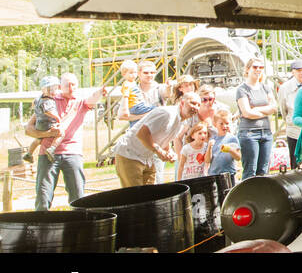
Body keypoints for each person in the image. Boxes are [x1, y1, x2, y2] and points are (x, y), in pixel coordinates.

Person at [29, 73, 104, 210]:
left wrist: (100, 92)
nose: (71, 88)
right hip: (47, 152)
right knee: (43, 197)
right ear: (59, 87)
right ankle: (41, 227)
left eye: (73, 84)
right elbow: (28, 129)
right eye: (66, 85)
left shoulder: (81, 102)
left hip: (72, 152)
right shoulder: (49, 100)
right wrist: (47, 134)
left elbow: (92, 99)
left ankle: (79, 226)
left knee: (78, 197)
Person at [112, 91, 201, 187]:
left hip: (147, 158)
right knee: (135, 197)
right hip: (129, 154)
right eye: (192, 103)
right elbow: (142, 134)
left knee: (150, 196)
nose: (195, 107)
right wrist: (159, 151)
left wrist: (168, 152)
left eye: (198, 105)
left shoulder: (181, 121)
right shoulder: (166, 114)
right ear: (182, 103)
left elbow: (164, 138)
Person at [235, 57, 276, 180]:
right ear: (247, 69)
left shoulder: (266, 88)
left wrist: (255, 110)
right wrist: (265, 110)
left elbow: (274, 108)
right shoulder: (242, 89)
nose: (258, 69)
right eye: (255, 67)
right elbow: (246, 113)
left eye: (261, 67)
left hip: (266, 133)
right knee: (250, 171)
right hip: (249, 133)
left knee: (263, 171)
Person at [277, 59, 302, 166]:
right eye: (298, 70)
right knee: (296, 163)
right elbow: (283, 110)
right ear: (293, 72)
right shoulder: (285, 88)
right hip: (294, 130)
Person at [24, 76, 61, 164]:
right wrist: (57, 118)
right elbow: (48, 111)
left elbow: (34, 103)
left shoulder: (39, 97)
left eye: (54, 89)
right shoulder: (48, 100)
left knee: (38, 139)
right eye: (50, 90)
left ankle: (29, 153)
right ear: (44, 90)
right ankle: (52, 149)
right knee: (60, 134)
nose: (53, 92)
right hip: (47, 124)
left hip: (39, 124)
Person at [208, 105, 241, 178]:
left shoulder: (232, 139)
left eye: (227, 123)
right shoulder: (212, 139)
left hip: (229, 174)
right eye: (221, 123)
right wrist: (209, 148)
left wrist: (230, 150)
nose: (224, 126)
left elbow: (238, 157)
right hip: (214, 174)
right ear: (215, 124)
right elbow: (208, 160)